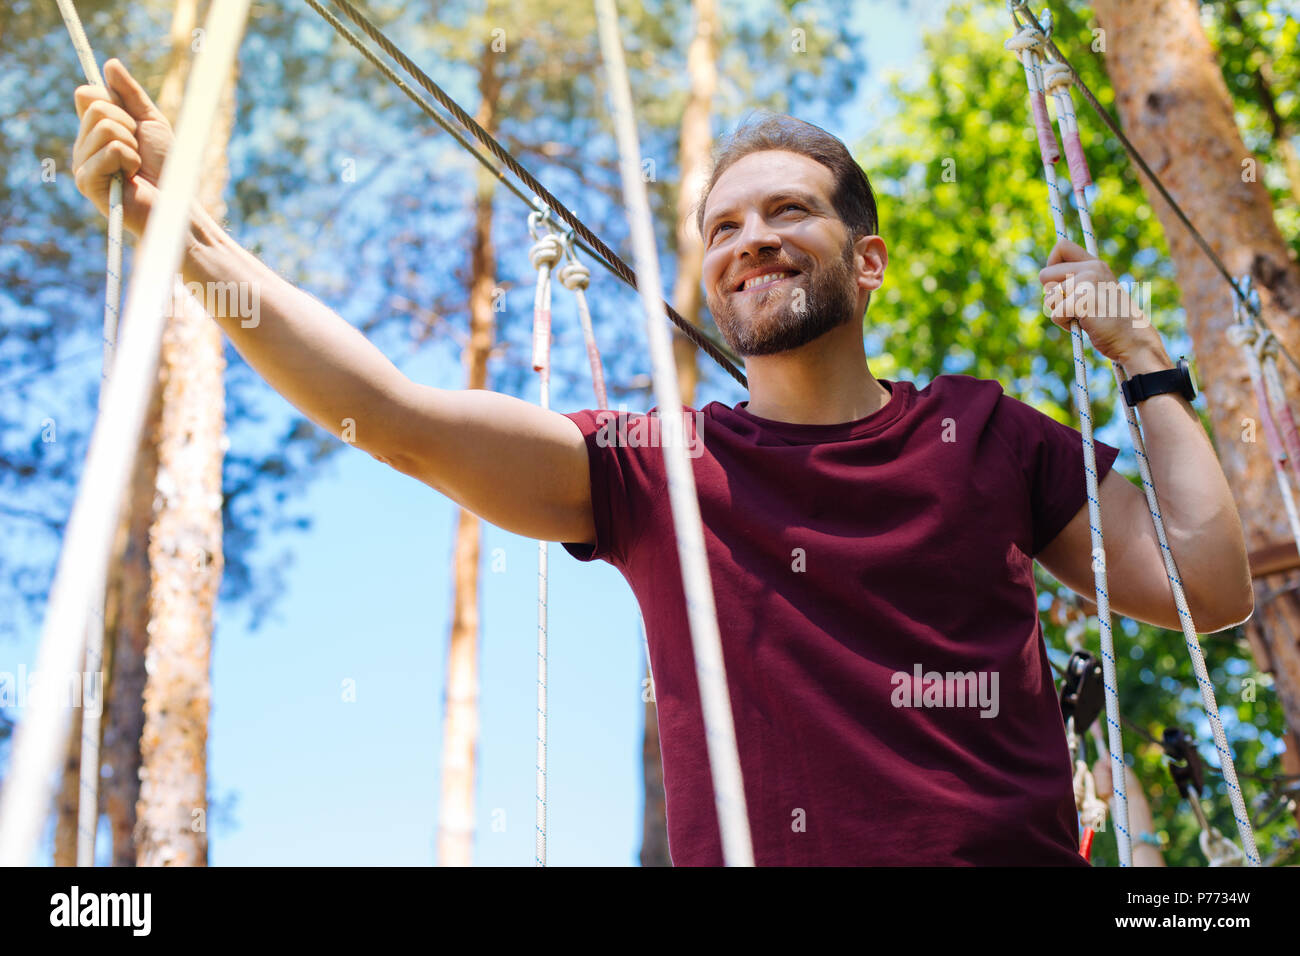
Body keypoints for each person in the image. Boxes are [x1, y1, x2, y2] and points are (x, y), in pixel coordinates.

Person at [71, 61, 1253, 866]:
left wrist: (1138, 350)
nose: (750, 242)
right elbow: (391, 414)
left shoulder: (987, 431)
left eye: (787, 211)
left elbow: (1207, 583)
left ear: (869, 259)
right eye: (723, 227)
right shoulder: (656, 469)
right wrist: (194, 239)